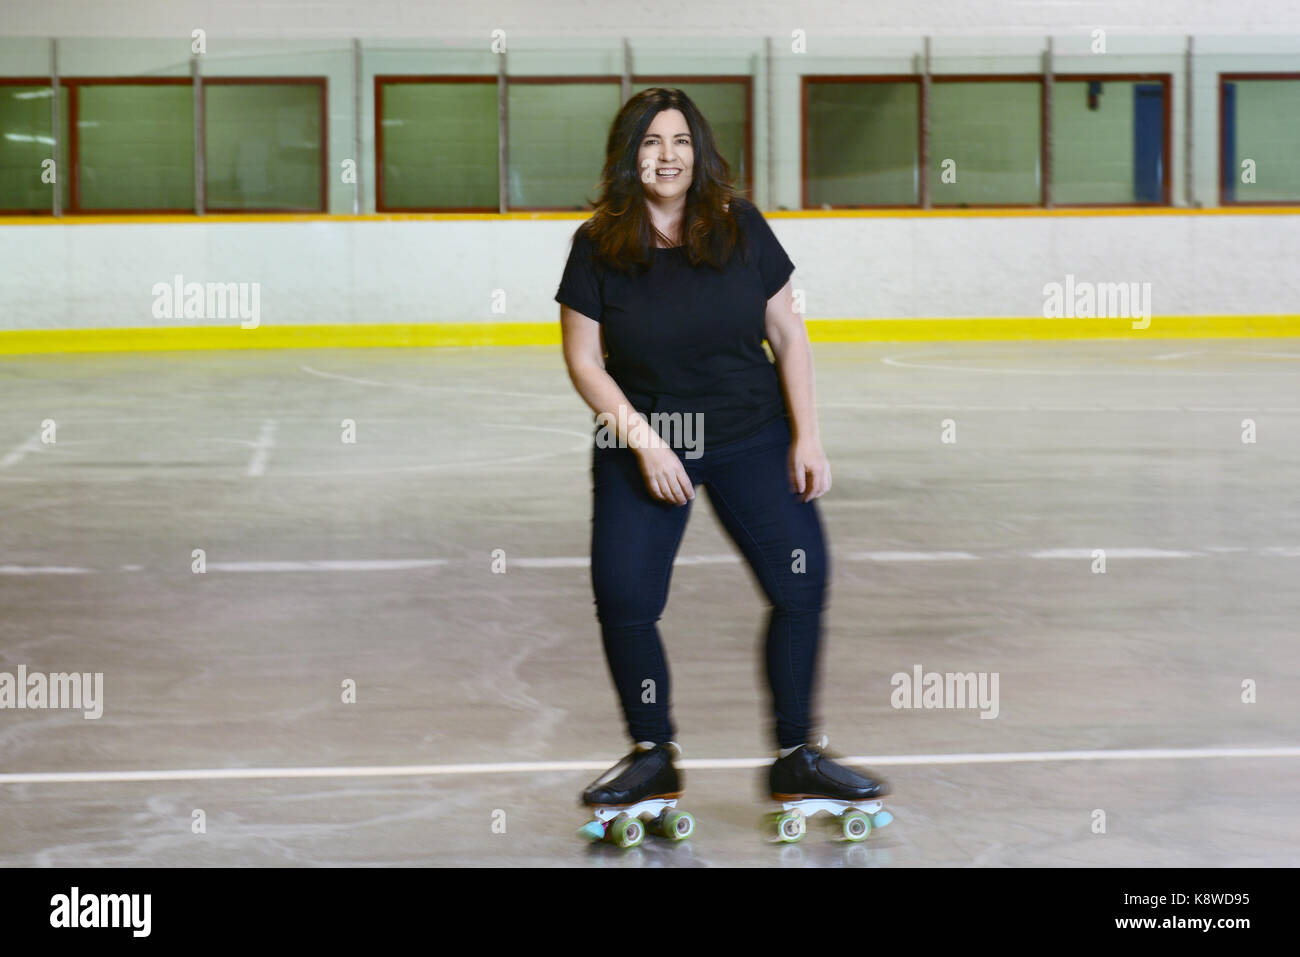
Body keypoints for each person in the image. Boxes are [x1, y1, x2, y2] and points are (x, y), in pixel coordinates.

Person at [555, 88, 888, 824]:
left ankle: (797, 756)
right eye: (649, 142)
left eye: (679, 141)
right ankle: (651, 755)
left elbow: (790, 334)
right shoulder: (597, 242)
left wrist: (807, 433)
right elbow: (585, 361)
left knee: (802, 583)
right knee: (625, 596)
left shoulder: (740, 227)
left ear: (700, 152)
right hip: (639, 432)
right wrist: (645, 441)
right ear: (627, 156)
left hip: (750, 430)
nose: (666, 155)